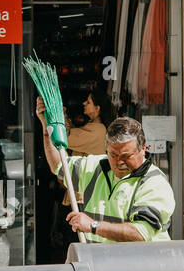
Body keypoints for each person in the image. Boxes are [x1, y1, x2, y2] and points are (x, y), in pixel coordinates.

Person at [36, 97, 175, 242]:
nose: (119, 162)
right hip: (100, 262)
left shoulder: (154, 183)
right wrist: (46, 128)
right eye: (113, 154)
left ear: (143, 149)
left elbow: (139, 234)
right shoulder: (96, 166)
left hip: (139, 264)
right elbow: (59, 165)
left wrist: (93, 225)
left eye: (126, 156)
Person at [66, 88, 111, 156]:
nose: (84, 103)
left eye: (88, 102)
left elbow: (66, 138)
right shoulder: (96, 126)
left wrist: (61, 113)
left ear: (97, 108)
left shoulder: (98, 130)